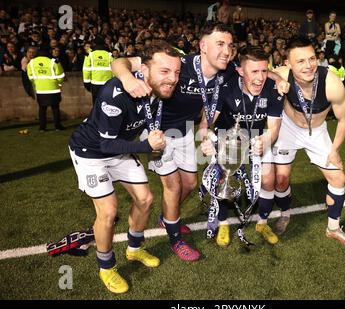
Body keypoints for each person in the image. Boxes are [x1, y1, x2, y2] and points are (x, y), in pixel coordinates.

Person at [110, 22, 288, 261]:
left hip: (185, 132)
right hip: (158, 132)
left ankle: (167, 217)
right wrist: (126, 78)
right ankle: (176, 240)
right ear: (203, 46)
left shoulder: (226, 69)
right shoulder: (178, 64)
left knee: (191, 184)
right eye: (220, 44)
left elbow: (256, 69)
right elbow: (120, 62)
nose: (227, 51)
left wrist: (277, 78)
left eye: (230, 45)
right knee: (172, 187)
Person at [68, 41, 181, 294]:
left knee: (146, 199)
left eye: (176, 72)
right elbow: (106, 145)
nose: (172, 78)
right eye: (165, 71)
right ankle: (106, 266)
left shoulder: (157, 89)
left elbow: (121, 63)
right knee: (108, 212)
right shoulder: (115, 92)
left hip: (122, 147)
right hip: (91, 151)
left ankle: (134, 248)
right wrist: (148, 146)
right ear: (144, 69)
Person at [272, 36, 345, 248]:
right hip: (288, 128)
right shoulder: (282, 74)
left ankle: (333, 228)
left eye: (311, 59)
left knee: (338, 178)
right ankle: (284, 214)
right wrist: (275, 78)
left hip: (317, 131)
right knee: (280, 181)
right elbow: (259, 72)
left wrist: (335, 150)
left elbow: (344, 118)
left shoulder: (332, 83)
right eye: (300, 61)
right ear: (288, 64)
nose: (308, 65)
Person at [200, 47, 283, 246]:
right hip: (227, 138)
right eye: (254, 72)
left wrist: (265, 141)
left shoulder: (273, 88)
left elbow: (274, 128)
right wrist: (205, 139)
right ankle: (223, 222)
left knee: (269, 179)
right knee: (221, 178)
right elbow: (205, 123)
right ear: (240, 71)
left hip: (256, 138)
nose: (260, 78)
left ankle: (262, 222)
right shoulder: (226, 88)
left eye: (264, 71)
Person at [27, 45, 66, 131]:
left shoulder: (32, 62)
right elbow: (61, 75)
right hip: (53, 89)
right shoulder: (53, 62)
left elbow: (30, 76)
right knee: (55, 108)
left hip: (40, 90)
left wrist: (37, 83)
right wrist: (58, 83)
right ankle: (57, 126)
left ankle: (42, 128)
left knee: (42, 109)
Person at [83, 37, 114, 105]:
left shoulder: (90, 55)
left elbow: (86, 70)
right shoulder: (109, 55)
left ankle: (96, 115)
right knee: (108, 103)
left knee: (96, 103)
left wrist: (86, 83)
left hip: (95, 84)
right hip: (108, 84)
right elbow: (114, 69)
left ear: (94, 44)